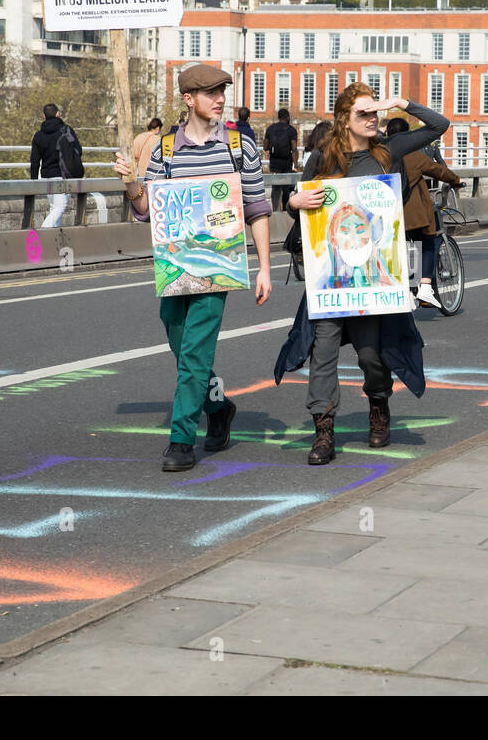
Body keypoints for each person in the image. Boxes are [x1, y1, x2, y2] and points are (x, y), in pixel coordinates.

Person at [113, 63, 272, 471]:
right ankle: (218, 408)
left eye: (222, 91)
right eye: (211, 93)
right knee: (181, 344)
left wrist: (264, 268)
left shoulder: (239, 147)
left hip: (219, 266)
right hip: (174, 266)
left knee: (196, 351)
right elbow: (146, 211)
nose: (220, 99)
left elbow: (257, 209)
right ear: (189, 99)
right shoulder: (165, 150)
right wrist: (131, 183)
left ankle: (181, 440)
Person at [277, 85, 447, 464]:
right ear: (343, 119)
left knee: (371, 354)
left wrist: (400, 103)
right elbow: (299, 200)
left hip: (374, 279)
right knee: (322, 351)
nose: (372, 120)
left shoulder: (388, 151)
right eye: (363, 114)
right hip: (329, 278)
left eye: (375, 113)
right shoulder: (321, 158)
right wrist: (293, 202)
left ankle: (379, 404)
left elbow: (439, 125)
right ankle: (323, 431)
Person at [389, 117, 463, 309]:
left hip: (389, 215)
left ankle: (402, 288)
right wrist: (456, 181)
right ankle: (425, 287)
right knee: (429, 242)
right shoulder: (412, 155)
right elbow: (437, 170)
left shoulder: (380, 155)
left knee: (396, 249)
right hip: (415, 215)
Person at [30, 104, 81, 228]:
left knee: (54, 207)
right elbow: (78, 150)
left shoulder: (38, 135)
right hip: (62, 175)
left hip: (46, 176)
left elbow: (35, 160)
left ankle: (52, 239)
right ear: (58, 114)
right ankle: (43, 232)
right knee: (60, 207)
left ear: (44, 116)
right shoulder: (66, 130)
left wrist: (33, 181)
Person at [264, 107, 299, 214]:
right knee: (286, 188)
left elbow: (265, 147)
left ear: (278, 117)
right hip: (287, 163)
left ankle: (275, 211)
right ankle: (286, 211)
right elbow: (294, 149)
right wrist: (295, 165)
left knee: (276, 187)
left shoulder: (270, 129)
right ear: (288, 117)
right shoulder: (291, 130)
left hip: (274, 163)